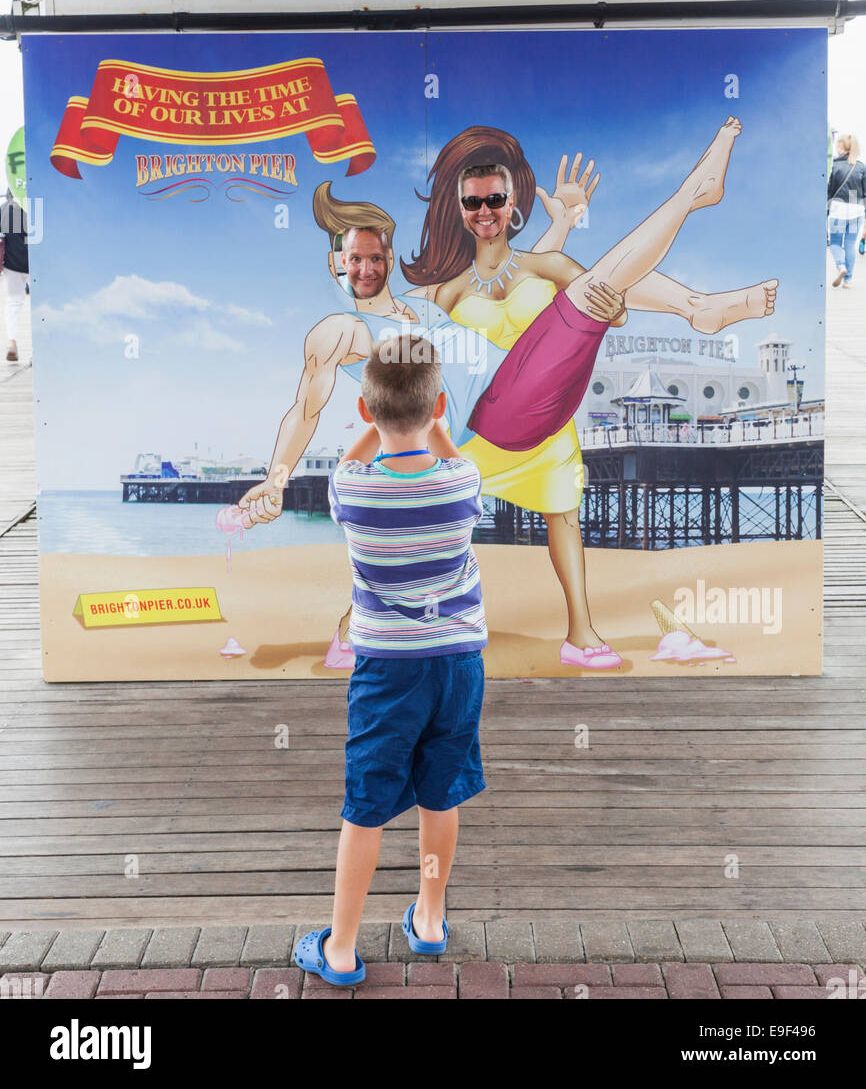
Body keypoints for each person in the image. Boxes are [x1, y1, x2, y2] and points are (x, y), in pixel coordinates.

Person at [402, 119, 776, 667]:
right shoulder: (446, 290)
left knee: (566, 517)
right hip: (488, 423)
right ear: (458, 209)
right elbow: (404, 336)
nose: (485, 212)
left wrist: (596, 280)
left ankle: (581, 633)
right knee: (587, 288)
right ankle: (694, 216)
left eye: (495, 200)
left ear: (512, 205)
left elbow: (611, 294)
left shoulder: (542, 265)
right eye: (473, 203)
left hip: (549, 419)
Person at [292, 334, 486, 985]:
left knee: (367, 804)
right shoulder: (462, 480)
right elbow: (447, 454)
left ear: (365, 411)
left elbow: (358, 456)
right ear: (438, 407)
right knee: (440, 793)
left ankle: (341, 948)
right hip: (457, 663)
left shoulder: (351, 488)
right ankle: (430, 917)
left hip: (387, 670)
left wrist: (377, 424)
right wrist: (435, 425)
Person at [827, 132, 865, 289]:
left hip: (838, 210)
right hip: (856, 211)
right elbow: (863, 193)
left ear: (841, 146)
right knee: (850, 244)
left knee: (835, 243)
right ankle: (848, 280)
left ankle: (841, 265)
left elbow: (830, 191)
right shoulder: (861, 167)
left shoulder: (834, 166)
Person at [0, 184, 29, 363]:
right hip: (36, 264)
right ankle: (38, 350)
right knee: (41, 306)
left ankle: (11, 343)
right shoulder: (34, 206)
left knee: (13, 303)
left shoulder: (3, 209)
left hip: (12, 264)